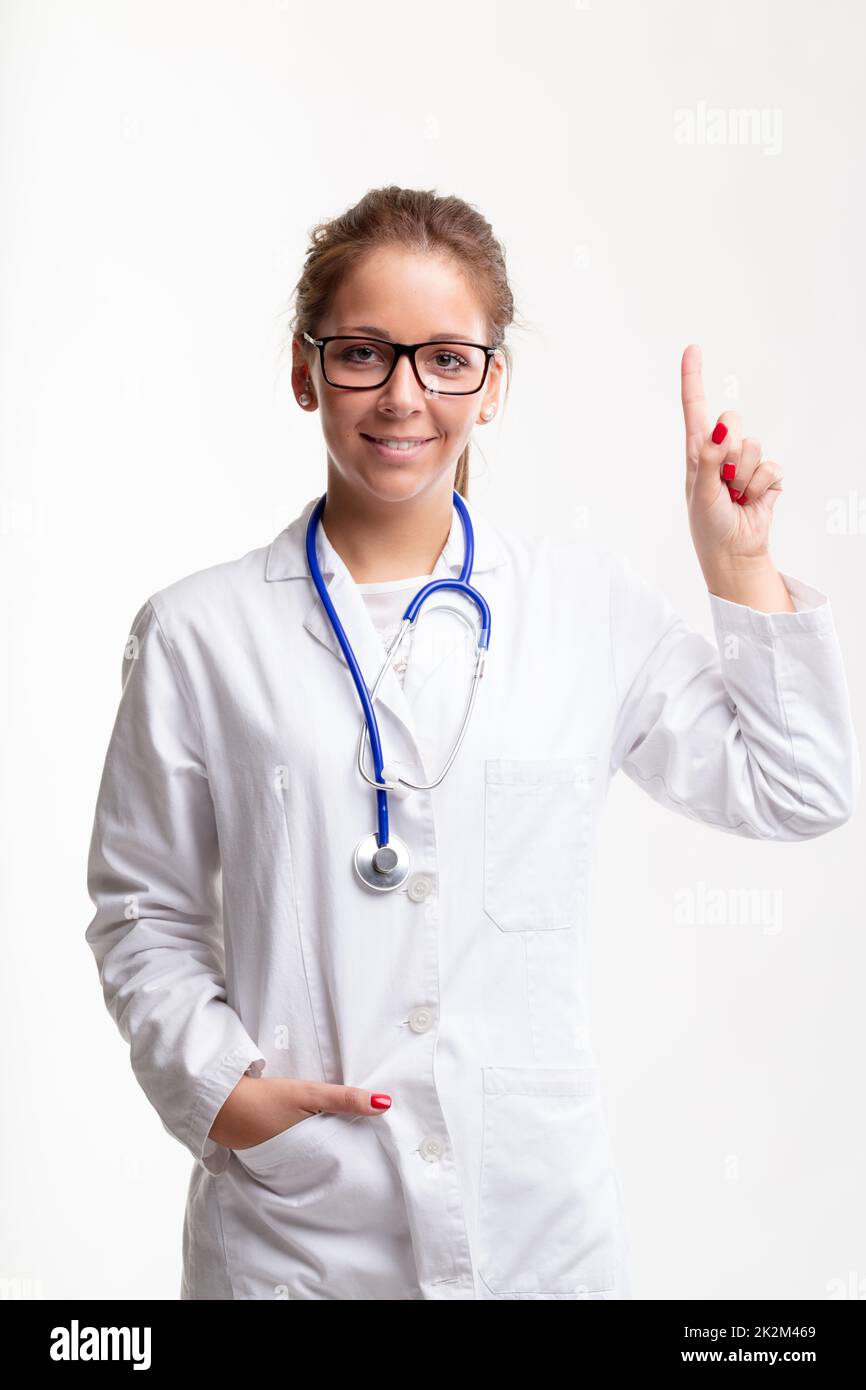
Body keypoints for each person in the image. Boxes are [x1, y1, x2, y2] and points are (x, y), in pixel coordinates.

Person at [84, 185, 859, 1301]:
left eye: (446, 358)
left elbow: (798, 789)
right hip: (298, 1234)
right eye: (362, 353)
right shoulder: (200, 633)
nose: (403, 395)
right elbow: (141, 908)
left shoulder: (583, 610)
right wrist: (224, 1092)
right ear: (304, 371)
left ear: (492, 385)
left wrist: (735, 562)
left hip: (531, 1227)